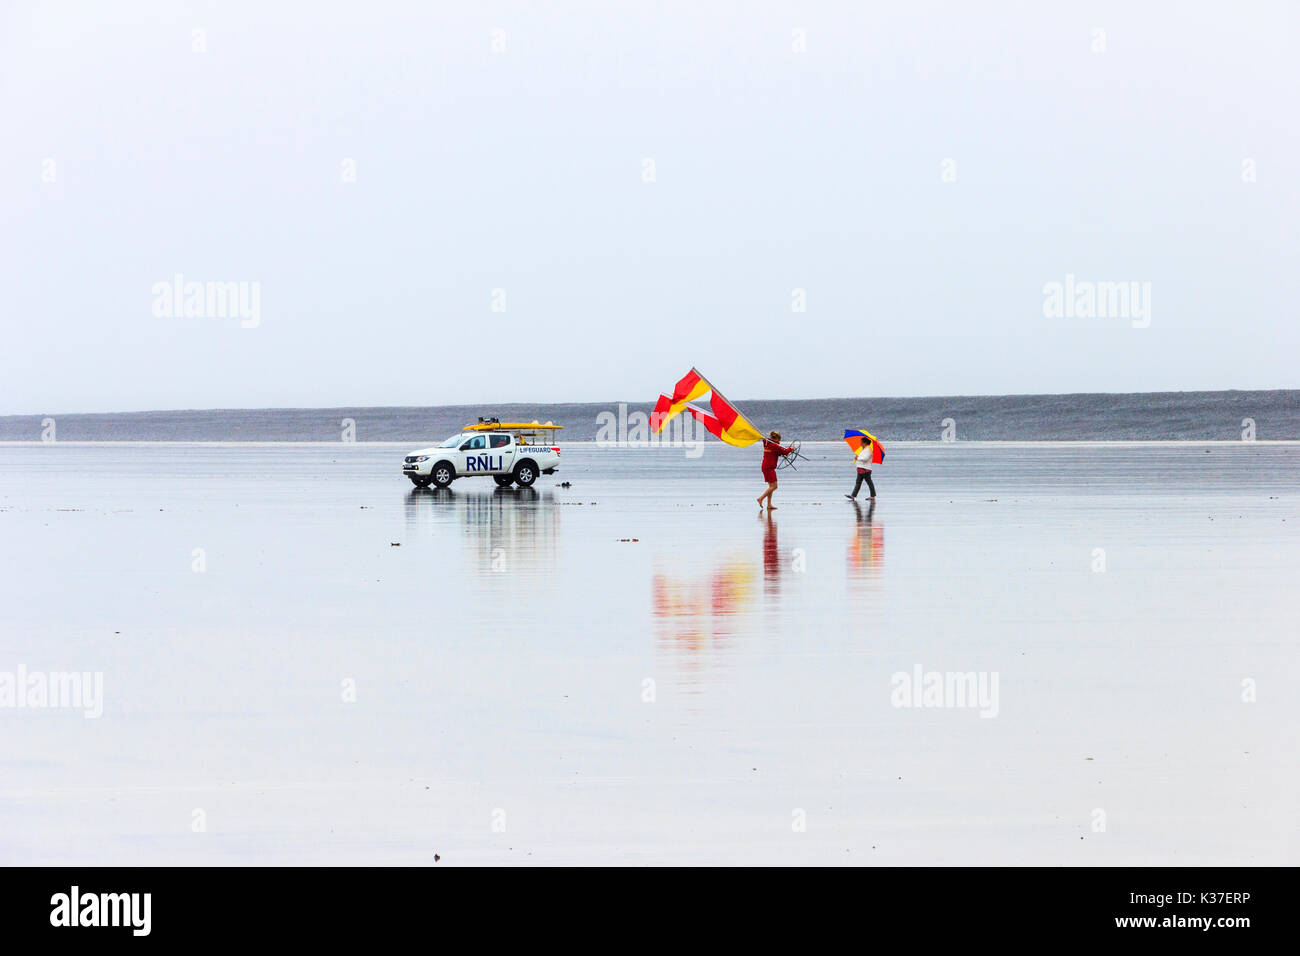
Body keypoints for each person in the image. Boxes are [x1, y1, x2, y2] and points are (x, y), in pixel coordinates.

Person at [757, 430, 794, 510]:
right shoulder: (774, 445)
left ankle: (769, 505)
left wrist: (780, 451)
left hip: (766, 467)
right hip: (768, 468)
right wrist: (791, 448)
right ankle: (760, 498)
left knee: (771, 486)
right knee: (774, 486)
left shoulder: (767, 443)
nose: (779, 441)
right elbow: (784, 452)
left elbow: (777, 452)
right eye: (779, 439)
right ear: (776, 438)